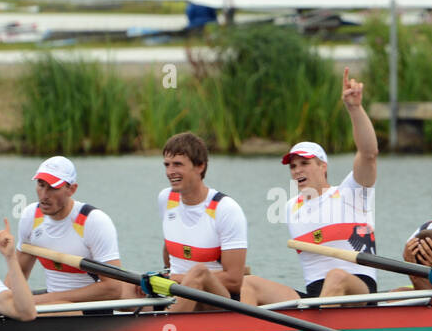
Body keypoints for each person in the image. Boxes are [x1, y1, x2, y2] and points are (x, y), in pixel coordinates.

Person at [240, 68, 379, 304]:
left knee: (335, 276)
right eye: (293, 167)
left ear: (322, 166)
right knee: (249, 283)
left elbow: (368, 154)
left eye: (304, 163)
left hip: (357, 291)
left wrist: (354, 109)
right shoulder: (291, 207)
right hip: (315, 296)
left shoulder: (351, 193)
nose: (297, 171)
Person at [153, 132, 249, 312]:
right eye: (167, 165)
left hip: (219, 301)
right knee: (126, 286)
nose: (170, 172)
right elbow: (169, 254)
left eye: (177, 165)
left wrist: (177, 279)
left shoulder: (226, 209)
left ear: (199, 166)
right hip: (178, 292)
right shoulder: (165, 198)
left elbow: (235, 281)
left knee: (199, 273)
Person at [16, 156, 126, 307]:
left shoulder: (94, 221)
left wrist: (46, 300)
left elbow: (113, 289)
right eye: (41, 185)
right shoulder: (30, 216)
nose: (44, 195)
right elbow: (18, 274)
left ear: (72, 189)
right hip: (52, 307)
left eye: (53, 188)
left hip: (89, 312)